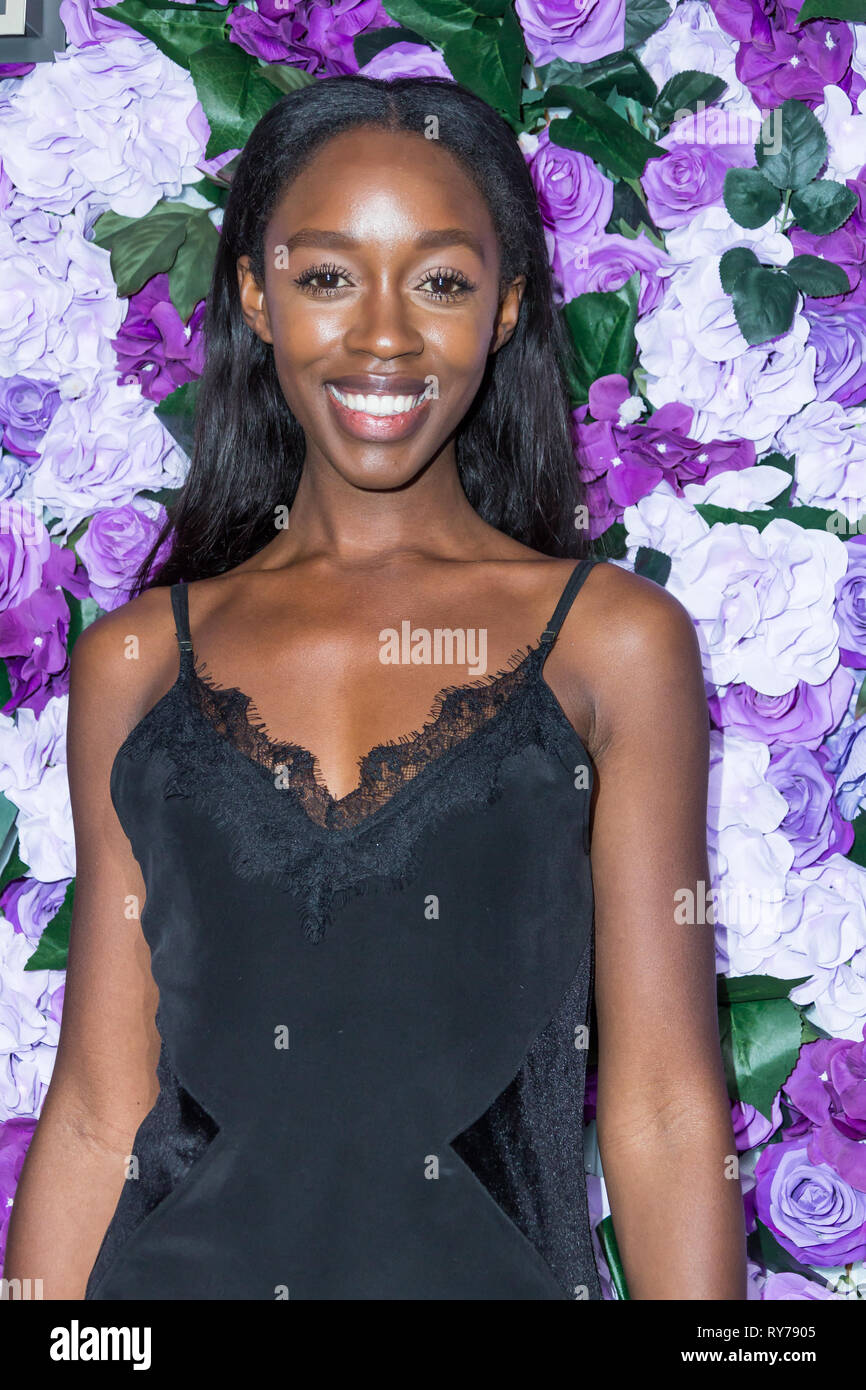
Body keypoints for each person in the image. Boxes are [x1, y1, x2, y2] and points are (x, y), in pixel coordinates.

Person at [4, 75, 746, 1300]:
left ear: (505, 308)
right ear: (256, 293)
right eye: (328, 276)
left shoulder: (614, 644)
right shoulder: (133, 662)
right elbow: (94, 1107)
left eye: (442, 281)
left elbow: (667, 1110)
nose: (384, 336)